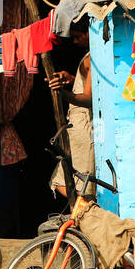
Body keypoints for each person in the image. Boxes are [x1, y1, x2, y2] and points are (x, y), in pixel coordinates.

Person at [46, 19, 96, 199]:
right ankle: (87, 210)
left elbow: (89, 99)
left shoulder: (92, 59)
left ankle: (87, 211)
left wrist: (62, 93)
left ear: (89, 33)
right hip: (80, 125)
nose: (74, 42)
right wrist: (73, 79)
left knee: (65, 180)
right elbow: (89, 88)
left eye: (77, 37)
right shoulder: (92, 56)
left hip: (82, 125)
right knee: (78, 178)